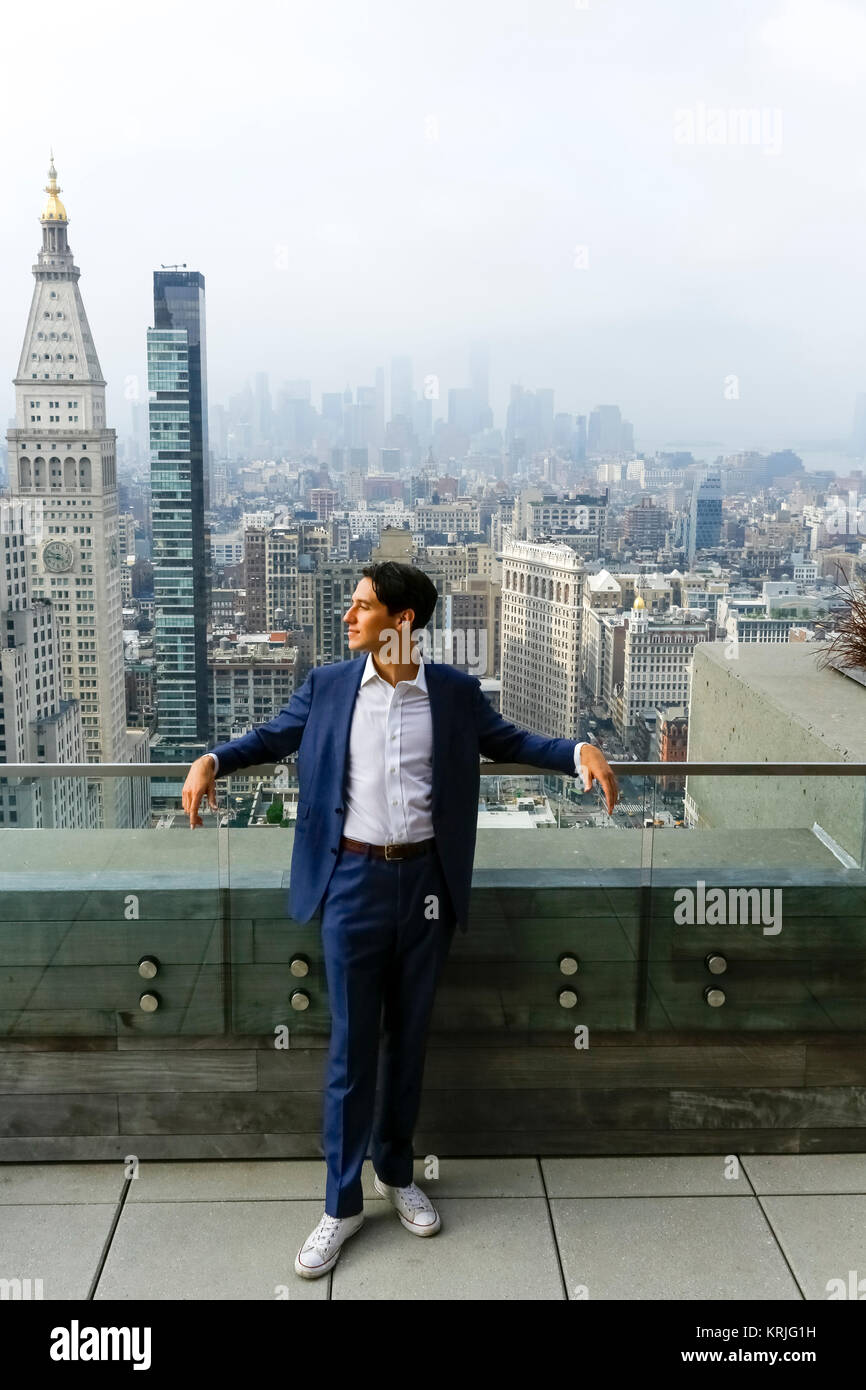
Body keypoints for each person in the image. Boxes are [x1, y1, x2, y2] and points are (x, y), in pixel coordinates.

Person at [181, 560, 618, 1279]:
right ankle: (340, 1204)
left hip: (426, 884)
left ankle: (397, 1170)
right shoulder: (326, 688)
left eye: (361, 607)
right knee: (353, 1047)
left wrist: (579, 750)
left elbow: (511, 741)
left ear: (403, 621)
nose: (348, 618)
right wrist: (210, 761)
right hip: (350, 878)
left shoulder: (450, 693)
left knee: (408, 1039)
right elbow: (267, 739)